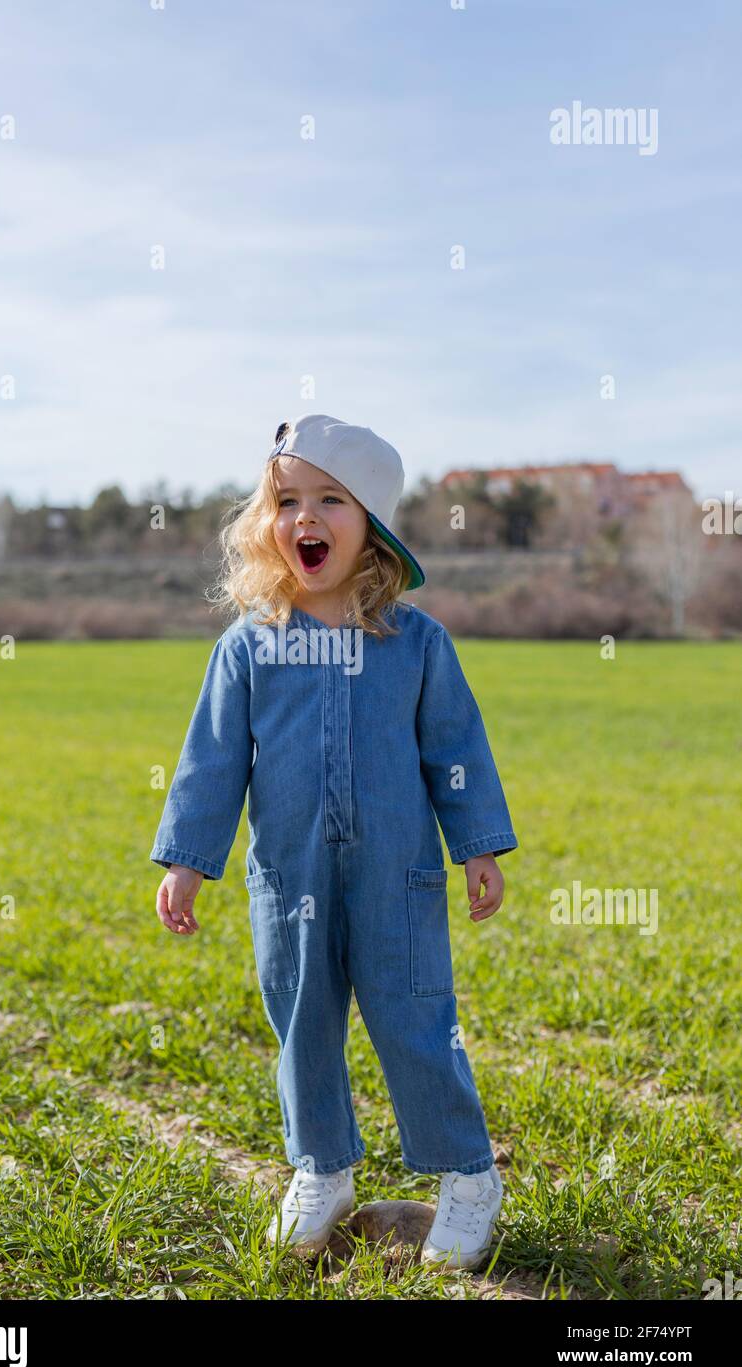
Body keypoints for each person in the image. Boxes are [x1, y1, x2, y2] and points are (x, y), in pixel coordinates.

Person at [150, 413, 518, 1269]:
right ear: (265, 522)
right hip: (289, 878)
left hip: (400, 876)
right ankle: (322, 1170)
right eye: (287, 501)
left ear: (374, 527)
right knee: (303, 1028)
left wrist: (480, 847)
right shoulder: (249, 647)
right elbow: (209, 765)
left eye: (330, 500)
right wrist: (186, 861)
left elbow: (456, 751)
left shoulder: (417, 644)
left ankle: (468, 1175)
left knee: (417, 1023)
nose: (304, 518)